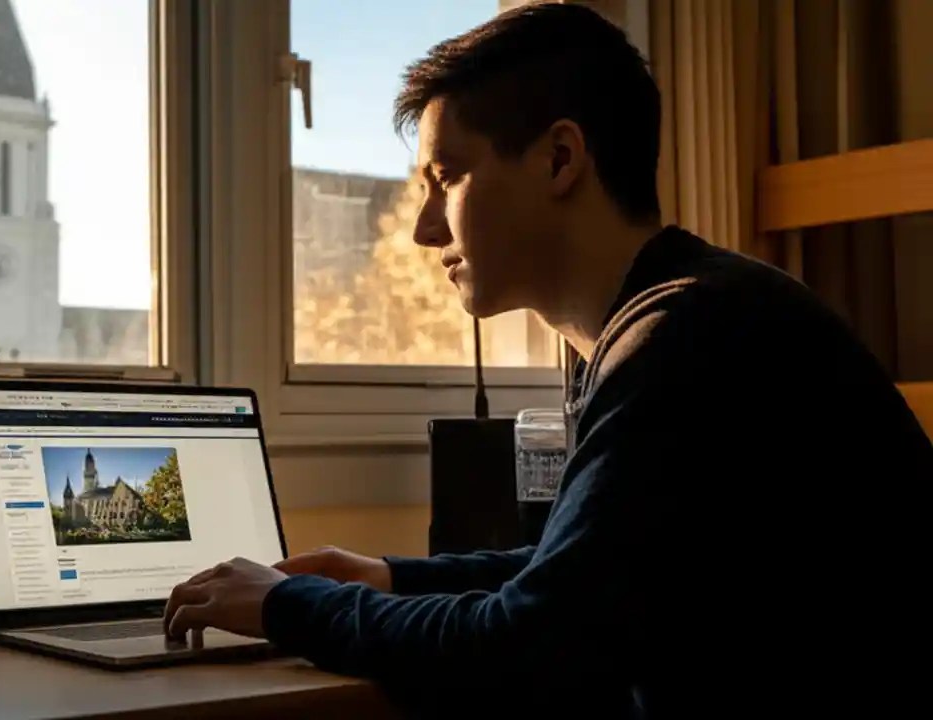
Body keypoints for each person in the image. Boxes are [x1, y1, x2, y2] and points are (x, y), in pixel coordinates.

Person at [163, 3, 933, 717]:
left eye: (446, 178)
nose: (425, 230)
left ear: (561, 158)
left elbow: (531, 640)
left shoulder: (685, 336)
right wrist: (393, 577)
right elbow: (585, 574)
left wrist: (283, 606)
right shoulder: (676, 314)